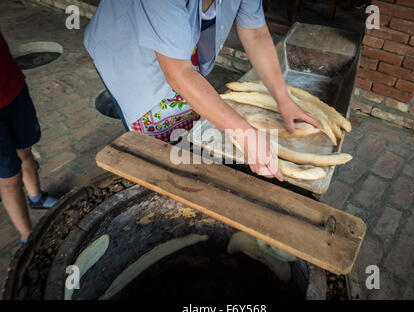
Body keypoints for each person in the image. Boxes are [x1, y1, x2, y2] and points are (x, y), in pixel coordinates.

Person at [84, 0, 318, 181]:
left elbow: (255, 33)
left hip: (177, 56)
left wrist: (283, 99)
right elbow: (178, 74)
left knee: (191, 127)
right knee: (157, 152)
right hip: (128, 54)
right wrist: (245, 134)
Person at [0, 31, 58, 243]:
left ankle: (36, 197)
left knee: (25, 149)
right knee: (9, 177)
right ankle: (28, 236)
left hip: (13, 88)